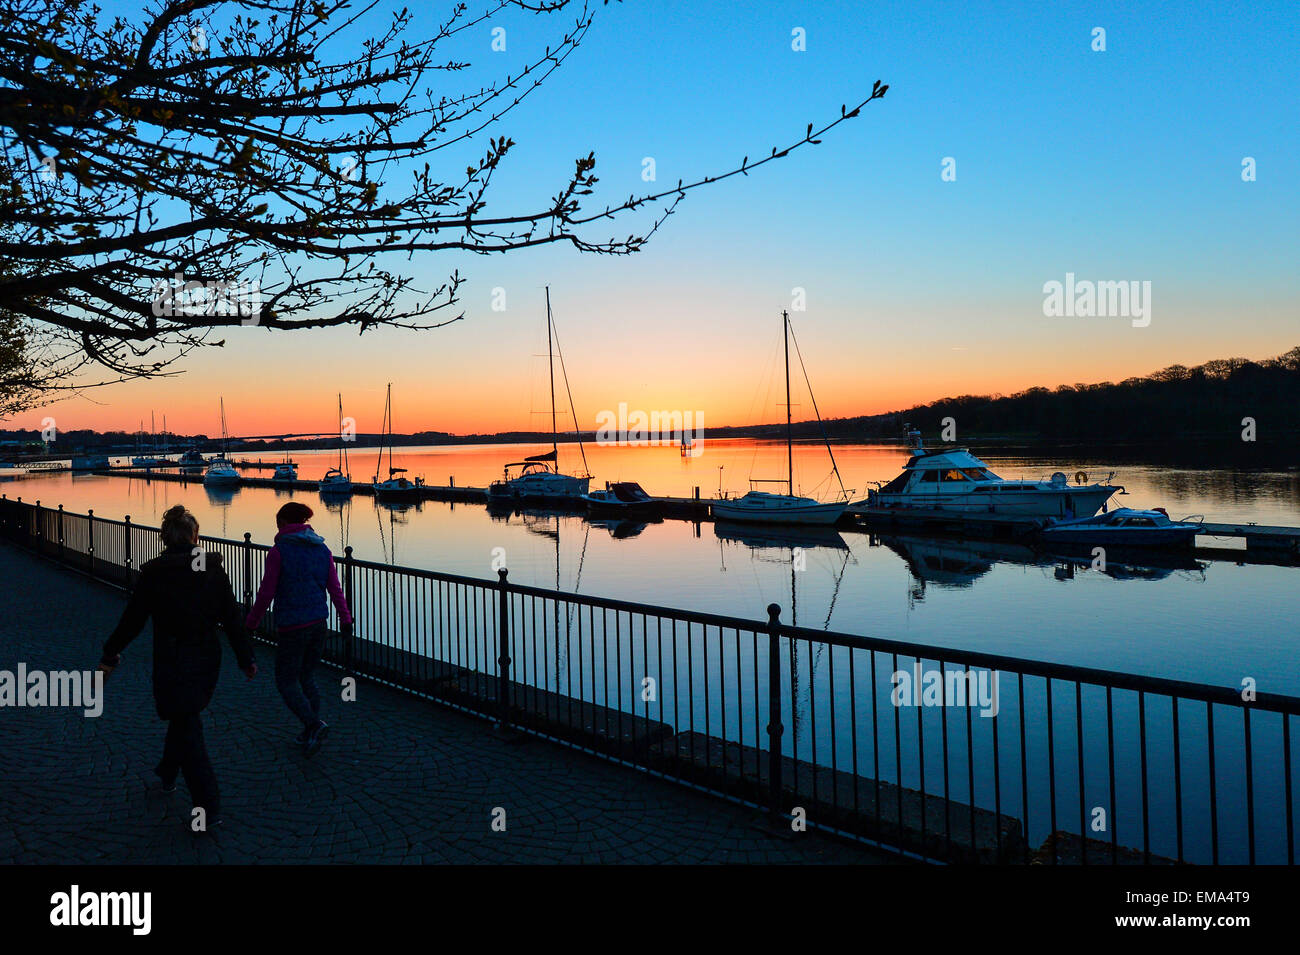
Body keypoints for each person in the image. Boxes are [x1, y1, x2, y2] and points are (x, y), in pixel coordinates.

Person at [99, 505, 257, 831]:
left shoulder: (156, 575)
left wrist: (110, 653)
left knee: (187, 724)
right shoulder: (212, 570)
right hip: (206, 658)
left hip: (172, 657)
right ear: (194, 535)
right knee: (185, 716)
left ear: (165, 538)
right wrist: (246, 659)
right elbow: (231, 618)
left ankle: (208, 806)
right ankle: (167, 771)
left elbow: (133, 621)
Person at [246, 501, 352, 756]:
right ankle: (310, 733)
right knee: (306, 677)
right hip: (319, 623)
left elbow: (266, 593)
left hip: (293, 626)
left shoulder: (279, 551)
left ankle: (314, 724)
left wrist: (250, 624)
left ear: (283, 523)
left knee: (286, 680)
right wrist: (345, 618)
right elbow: (335, 589)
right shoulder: (322, 549)